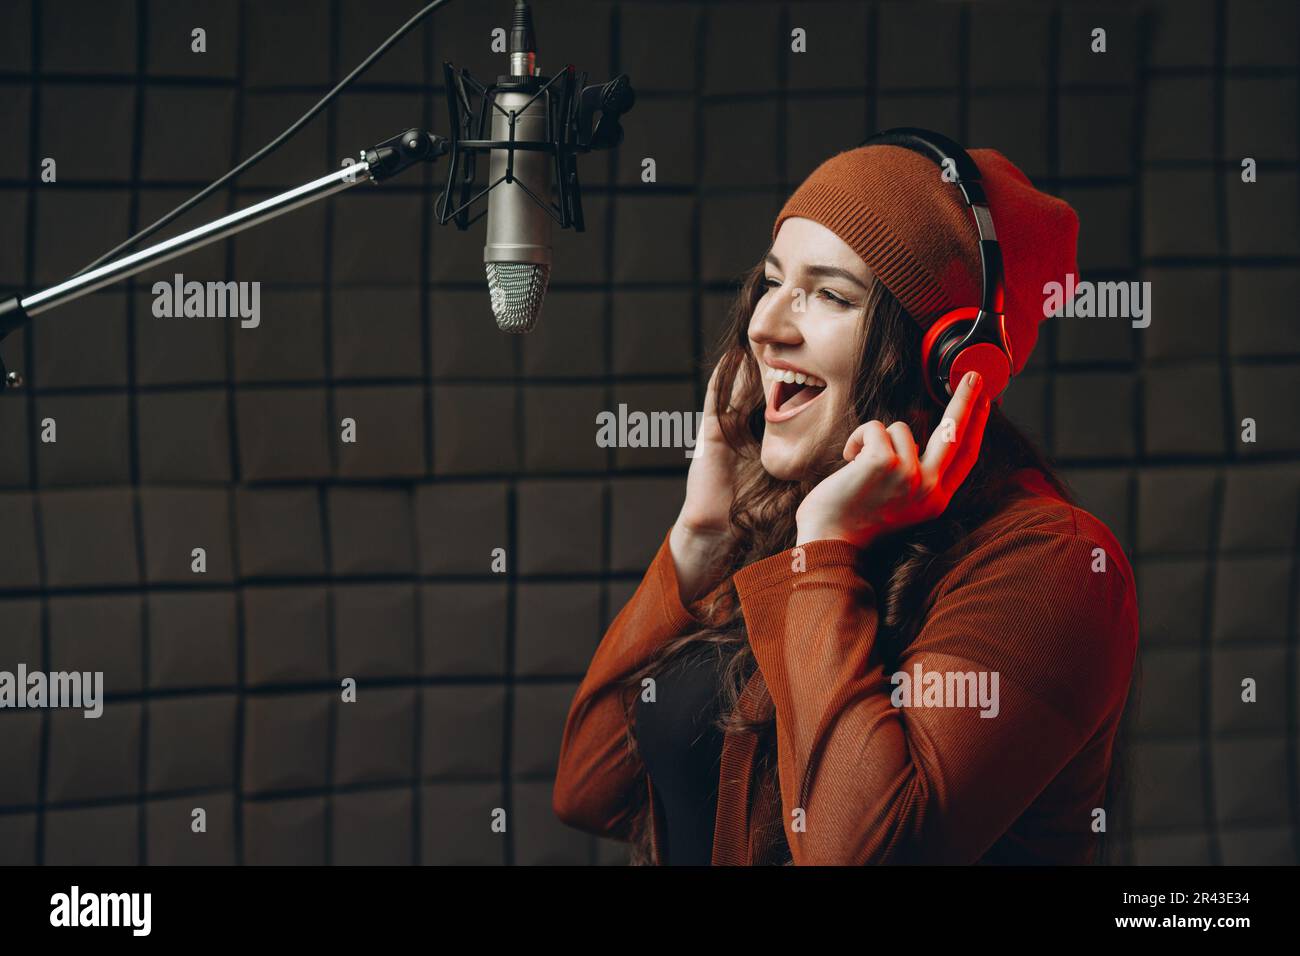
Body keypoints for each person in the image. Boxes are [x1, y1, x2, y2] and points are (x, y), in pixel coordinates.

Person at [552, 132, 1140, 865]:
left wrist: (827, 548)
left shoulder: (1052, 566)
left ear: (948, 358)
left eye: (829, 294)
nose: (764, 325)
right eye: (771, 281)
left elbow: (857, 853)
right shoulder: (780, 521)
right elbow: (589, 788)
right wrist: (701, 534)